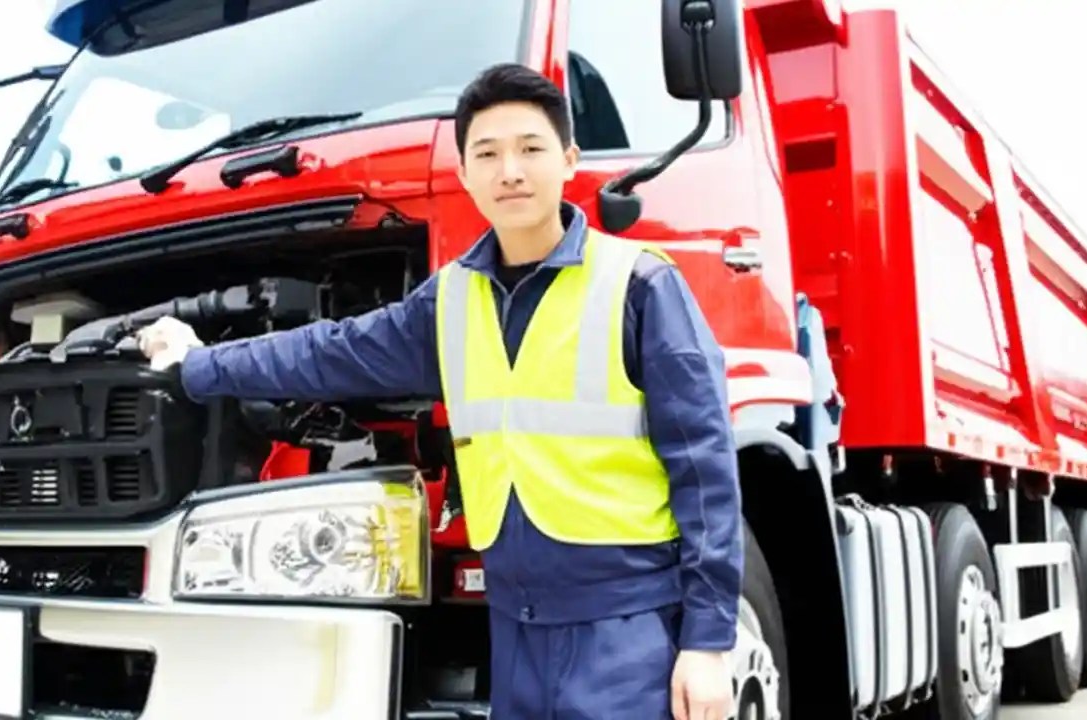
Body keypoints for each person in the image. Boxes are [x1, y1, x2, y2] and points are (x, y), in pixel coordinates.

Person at [138, 63, 744, 720]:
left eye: (530, 149)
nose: (509, 170)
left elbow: (706, 473)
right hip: (515, 628)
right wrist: (201, 366)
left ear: (569, 160)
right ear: (465, 173)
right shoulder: (451, 300)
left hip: (625, 629)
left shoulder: (640, 287)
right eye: (487, 153)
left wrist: (707, 643)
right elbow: (331, 350)